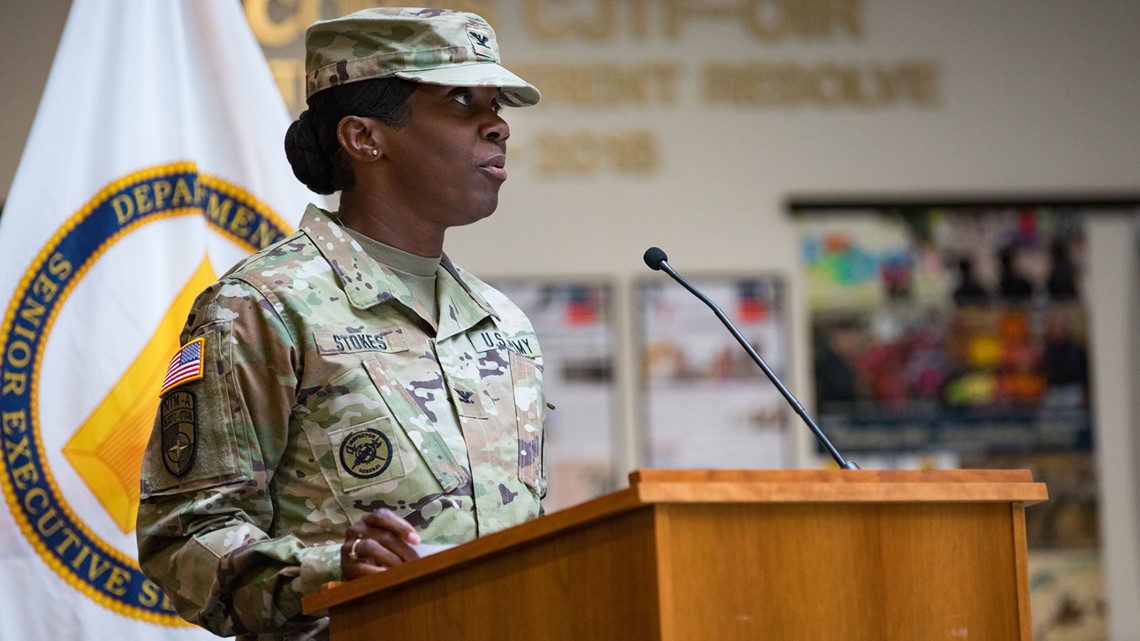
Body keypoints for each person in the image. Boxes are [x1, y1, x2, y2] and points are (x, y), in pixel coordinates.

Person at [136, 8, 547, 641]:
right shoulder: (260, 307)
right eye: (463, 102)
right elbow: (185, 540)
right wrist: (332, 571)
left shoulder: (503, 325)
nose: (498, 128)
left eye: (497, 106)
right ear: (365, 138)